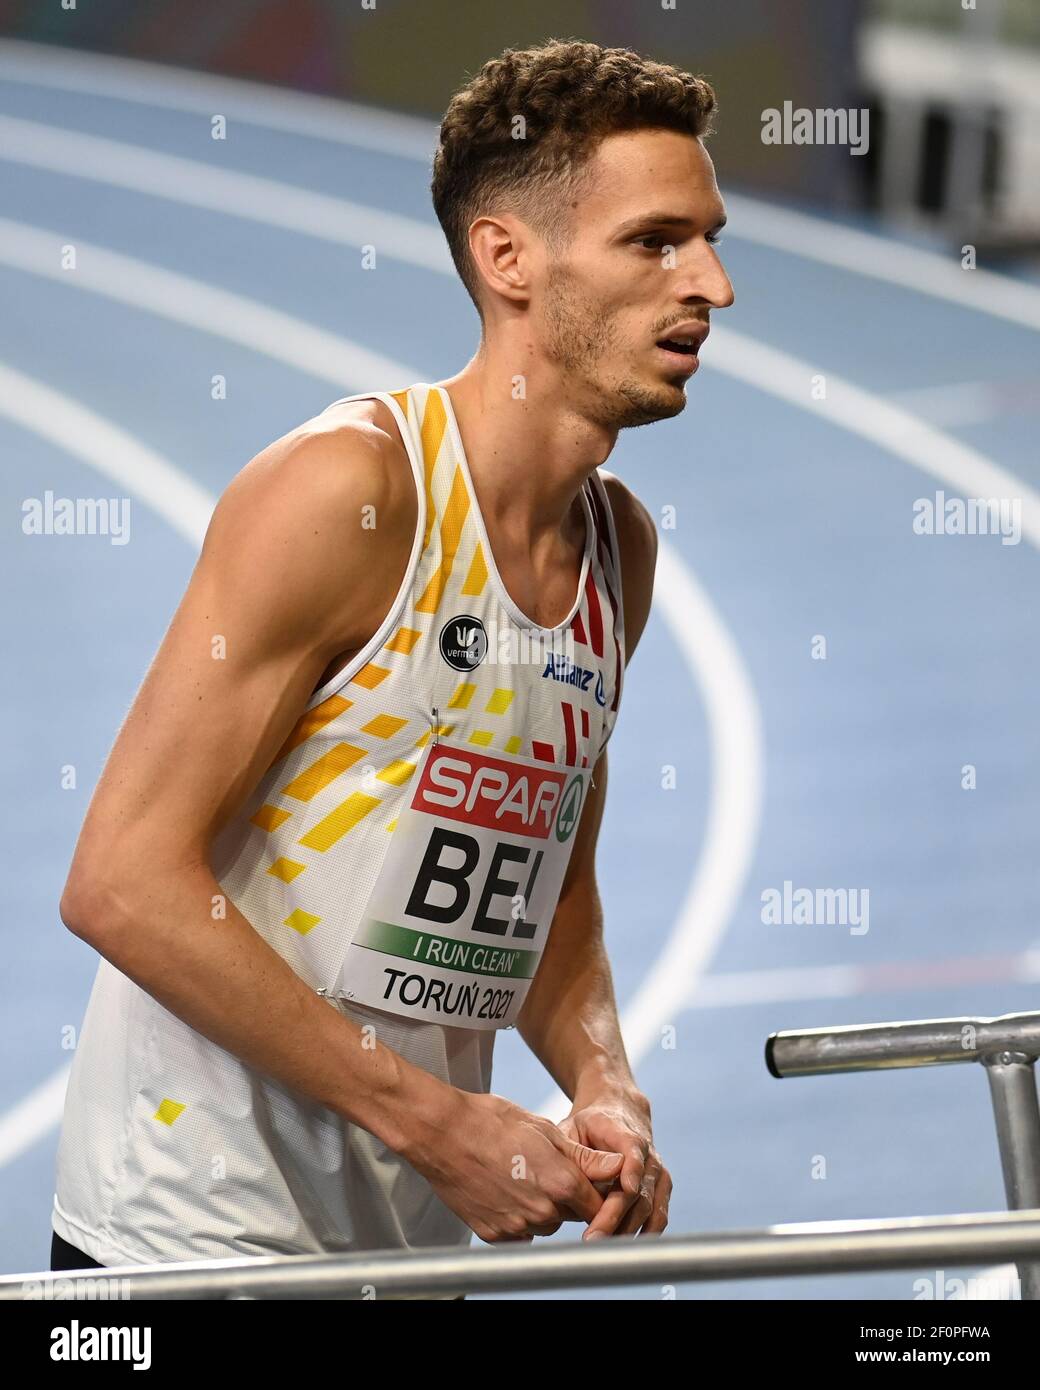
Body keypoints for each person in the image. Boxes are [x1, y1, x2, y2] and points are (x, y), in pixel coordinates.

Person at [52, 37, 733, 1288]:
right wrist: (436, 1122)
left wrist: (602, 1080)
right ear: (507, 258)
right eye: (656, 242)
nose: (712, 285)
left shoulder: (616, 554)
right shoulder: (351, 492)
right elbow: (121, 881)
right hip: (187, 1245)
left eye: (707, 238)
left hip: (407, 1252)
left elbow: (551, 890)